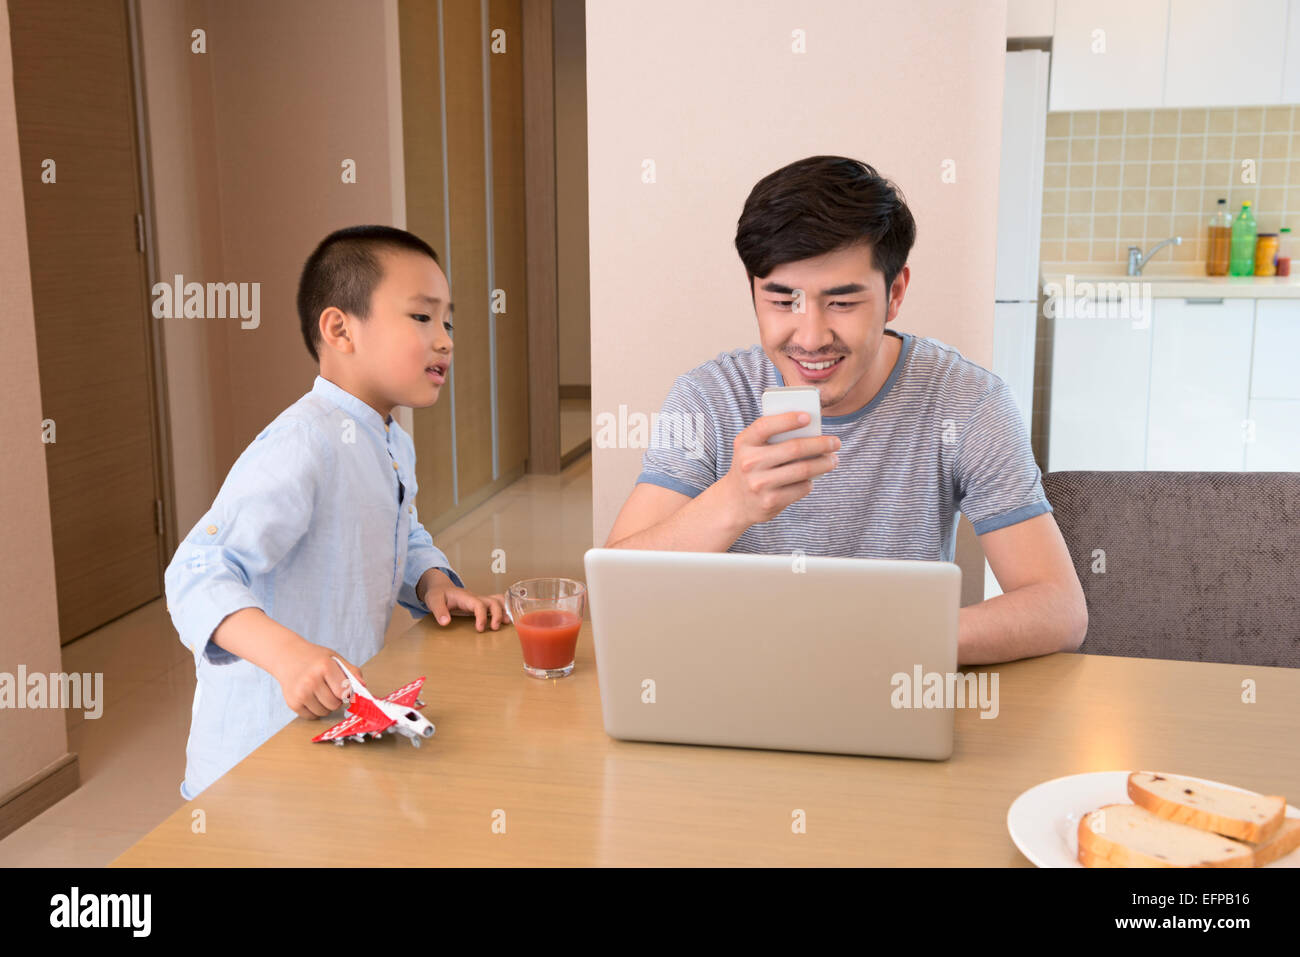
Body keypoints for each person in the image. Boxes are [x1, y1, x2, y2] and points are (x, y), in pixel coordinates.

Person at [605, 156, 1086, 666]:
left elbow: (1059, 609)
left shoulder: (966, 403)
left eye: (842, 303)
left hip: (895, 684)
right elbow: (616, 589)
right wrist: (734, 503)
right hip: (740, 680)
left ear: (894, 293)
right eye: (782, 300)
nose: (810, 338)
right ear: (753, 292)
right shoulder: (709, 397)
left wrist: (885, 645)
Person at [165, 225, 506, 799]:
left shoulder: (390, 438)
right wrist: (288, 655)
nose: (445, 340)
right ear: (340, 329)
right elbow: (196, 571)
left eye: (447, 321)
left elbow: (398, 523)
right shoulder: (303, 442)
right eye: (422, 318)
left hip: (330, 729)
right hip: (255, 757)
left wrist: (431, 579)